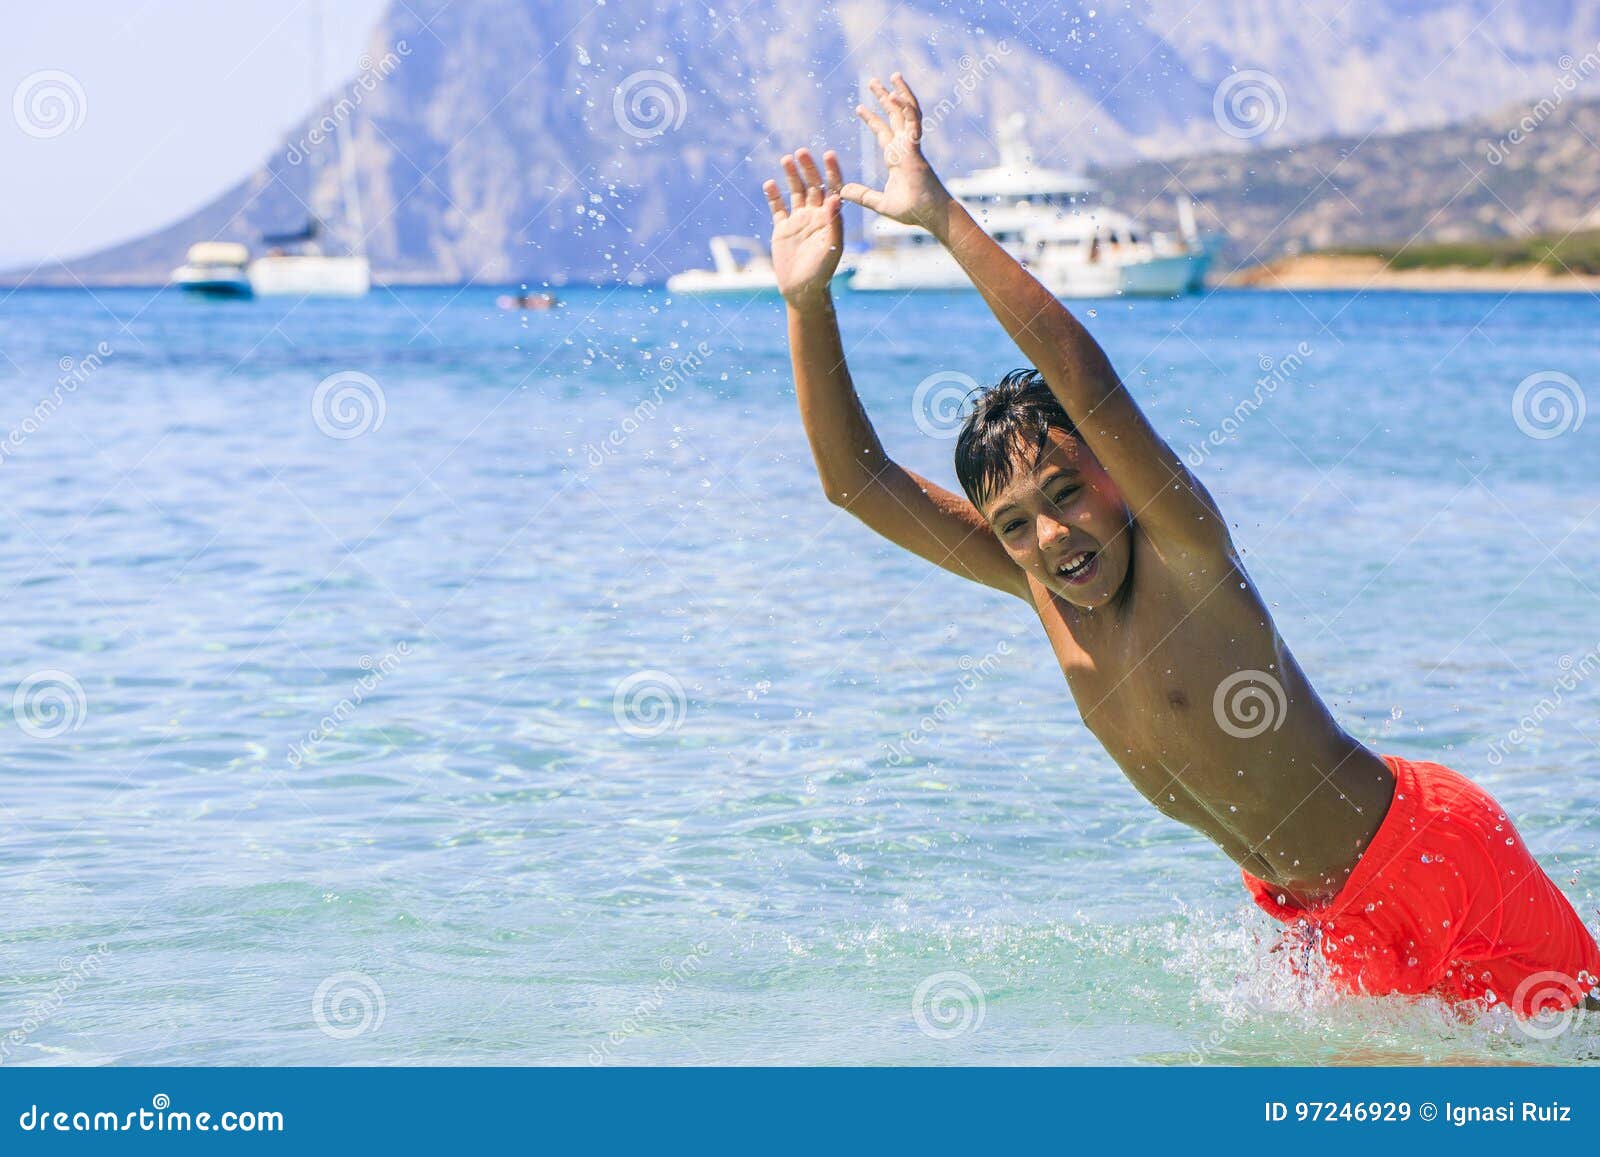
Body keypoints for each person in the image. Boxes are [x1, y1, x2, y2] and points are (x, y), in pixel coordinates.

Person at [762, 73, 1600, 1020]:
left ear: (1116, 477)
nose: (1052, 534)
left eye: (1067, 491)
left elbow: (1091, 384)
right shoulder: (1043, 584)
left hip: (1433, 860)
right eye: (1016, 524)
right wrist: (806, 303)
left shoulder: (1184, 550)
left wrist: (947, 220)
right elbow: (855, 481)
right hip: (1316, 914)